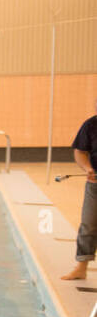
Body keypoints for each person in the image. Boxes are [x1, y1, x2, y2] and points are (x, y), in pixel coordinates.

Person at [62, 106, 97, 280]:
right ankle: (82, 267)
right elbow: (80, 152)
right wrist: (88, 168)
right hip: (94, 184)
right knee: (88, 223)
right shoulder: (90, 125)